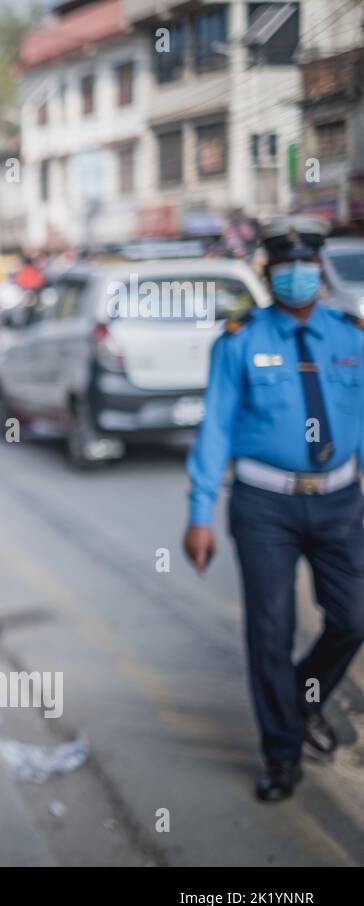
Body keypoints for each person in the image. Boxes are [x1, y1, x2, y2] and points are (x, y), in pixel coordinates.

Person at [183, 216, 364, 802]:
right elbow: (215, 428)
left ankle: (302, 694)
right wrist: (199, 512)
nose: (296, 275)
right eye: (284, 265)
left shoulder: (352, 336)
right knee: (270, 632)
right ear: (267, 271)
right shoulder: (240, 340)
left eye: (305, 264)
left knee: (354, 618)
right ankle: (282, 755)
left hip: (340, 500)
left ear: (321, 268)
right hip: (264, 507)